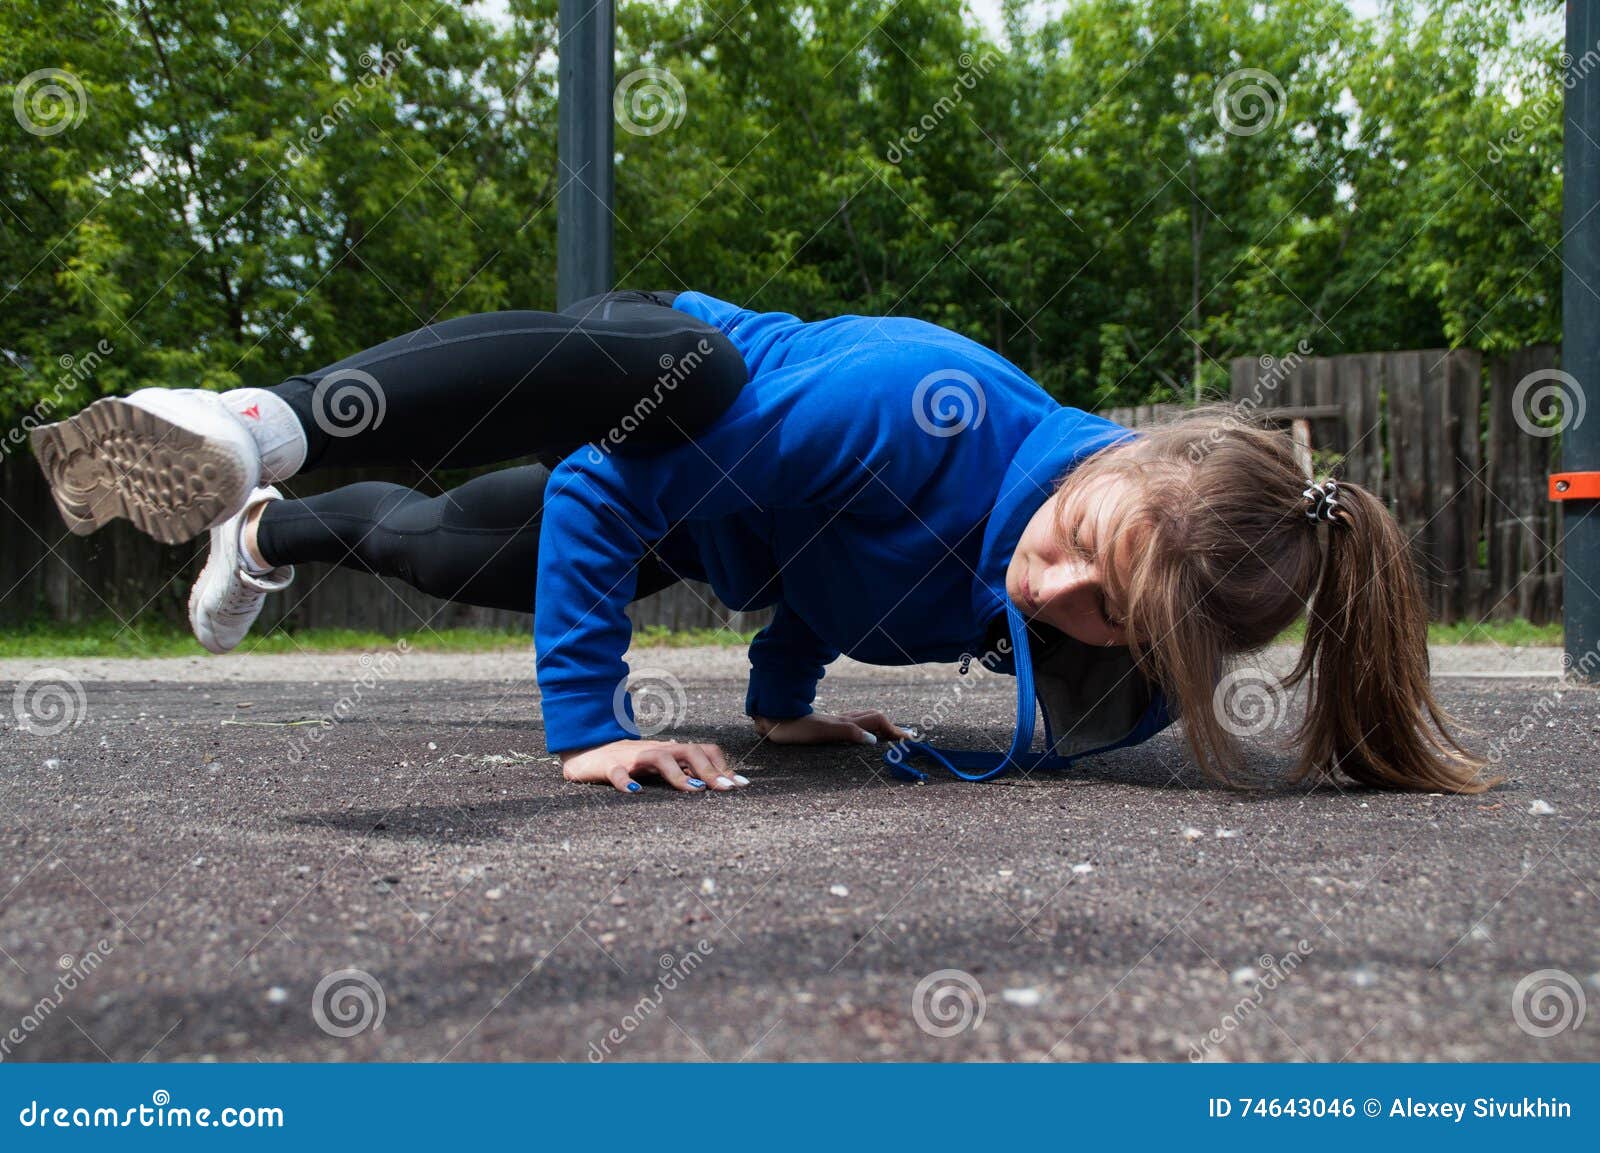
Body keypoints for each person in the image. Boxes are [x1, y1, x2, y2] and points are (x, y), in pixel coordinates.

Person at [31, 289, 1490, 796]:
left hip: (708, 533)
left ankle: (268, 531)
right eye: (1077, 543)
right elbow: (606, 491)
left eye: (1103, 609)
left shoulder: (1078, 628)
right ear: (1117, 455)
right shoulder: (919, 407)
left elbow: (845, 582)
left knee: (434, 549)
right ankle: (260, 425)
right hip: (651, 389)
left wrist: (784, 703)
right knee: (677, 377)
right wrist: (587, 724)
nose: (1049, 585)